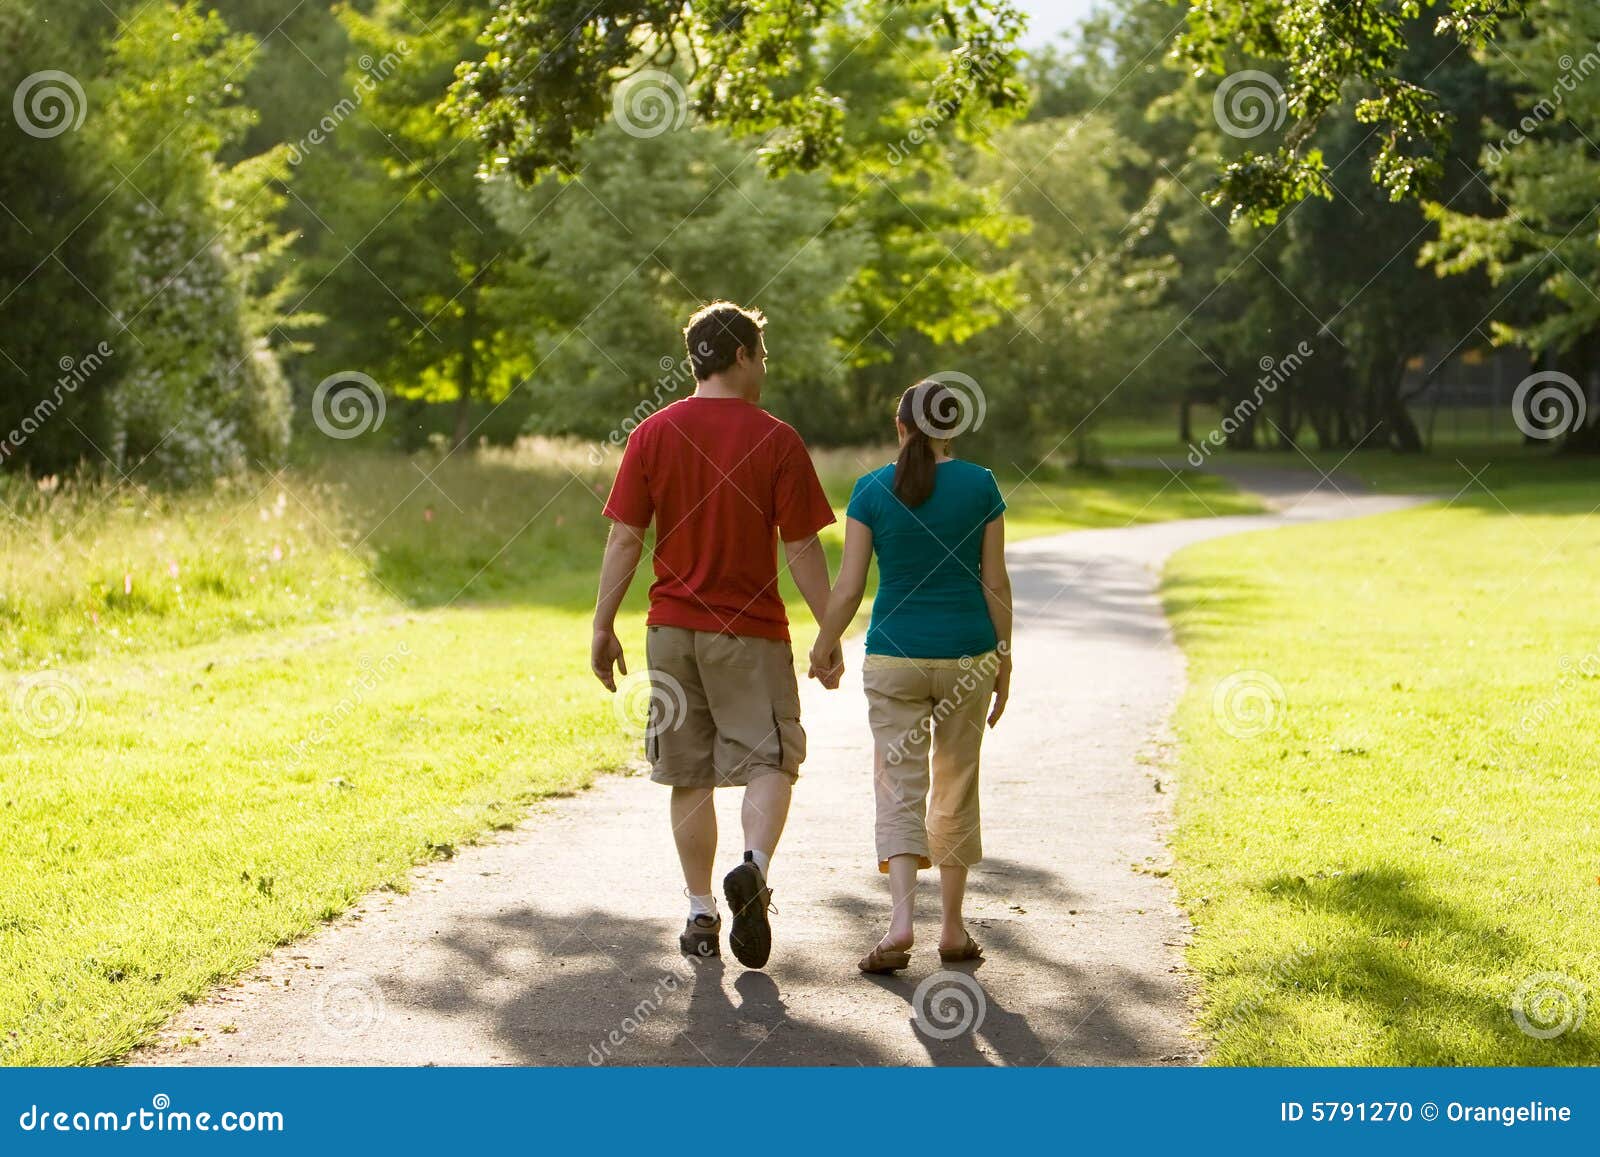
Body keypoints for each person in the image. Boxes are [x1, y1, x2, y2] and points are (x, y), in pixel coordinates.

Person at [591, 301, 841, 969]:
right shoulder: (776, 438)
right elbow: (803, 548)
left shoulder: (651, 433)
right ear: (739, 356)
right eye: (762, 354)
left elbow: (624, 537)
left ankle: (701, 910)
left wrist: (601, 622)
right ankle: (753, 868)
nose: (764, 367)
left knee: (688, 770)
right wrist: (830, 627)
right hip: (749, 632)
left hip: (670, 630)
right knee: (772, 759)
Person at [809, 379, 1012, 974]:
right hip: (968, 655)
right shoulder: (981, 485)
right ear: (950, 428)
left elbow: (849, 587)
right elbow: (994, 582)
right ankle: (951, 929)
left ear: (900, 427)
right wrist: (1004, 655)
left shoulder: (871, 490)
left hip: (894, 657)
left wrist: (824, 645)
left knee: (899, 784)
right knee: (956, 781)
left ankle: (900, 924)